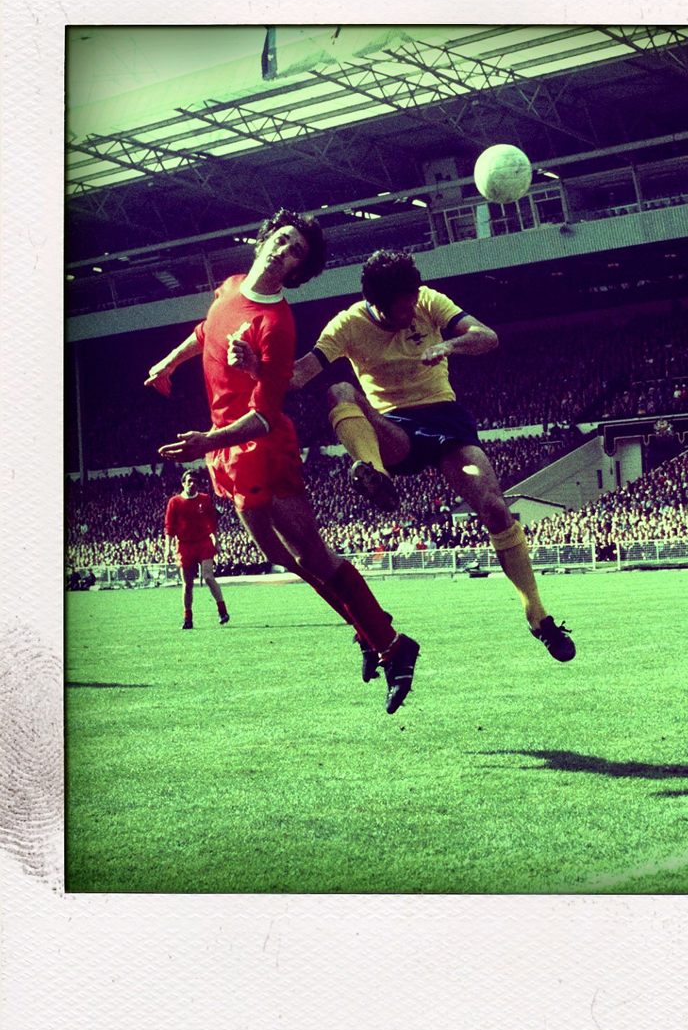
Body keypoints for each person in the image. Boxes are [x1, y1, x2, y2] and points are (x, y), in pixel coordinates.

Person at [237, 248, 575, 662]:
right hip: (394, 429)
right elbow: (299, 376)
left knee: (495, 508)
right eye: (401, 309)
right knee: (340, 391)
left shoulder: (428, 300)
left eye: (413, 301)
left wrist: (449, 344)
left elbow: (487, 337)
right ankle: (373, 473)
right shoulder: (348, 324)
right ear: (375, 303)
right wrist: (256, 368)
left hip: (446, 422)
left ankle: (539, 618)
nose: (412, 311)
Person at [143, 210, 419, 713]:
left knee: (313, 556)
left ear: (297, 270)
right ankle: (371, 632)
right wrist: (169, 362)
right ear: (264, 239)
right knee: (281, 555)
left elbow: (265, 417)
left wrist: (207, 441)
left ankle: (393, 646)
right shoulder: (230, 288)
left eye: (296, 252)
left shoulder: (276, 323)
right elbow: (206, 332)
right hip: (225, 449)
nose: (283, 250)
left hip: (259, 446)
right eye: (282, 239)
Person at [164, 468, 229, 629]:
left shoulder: (205, 499)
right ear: (183, 483)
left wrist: (216, 541)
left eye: (195, 482)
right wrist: (168, 547)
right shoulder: (174, 502)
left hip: (203, 543)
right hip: (184, 546)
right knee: (187, 585)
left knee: (208, 577)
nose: (192, 484)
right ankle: (188, 619)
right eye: (189, 481)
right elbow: (169, 527)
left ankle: (222, 611)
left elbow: (212, 522)